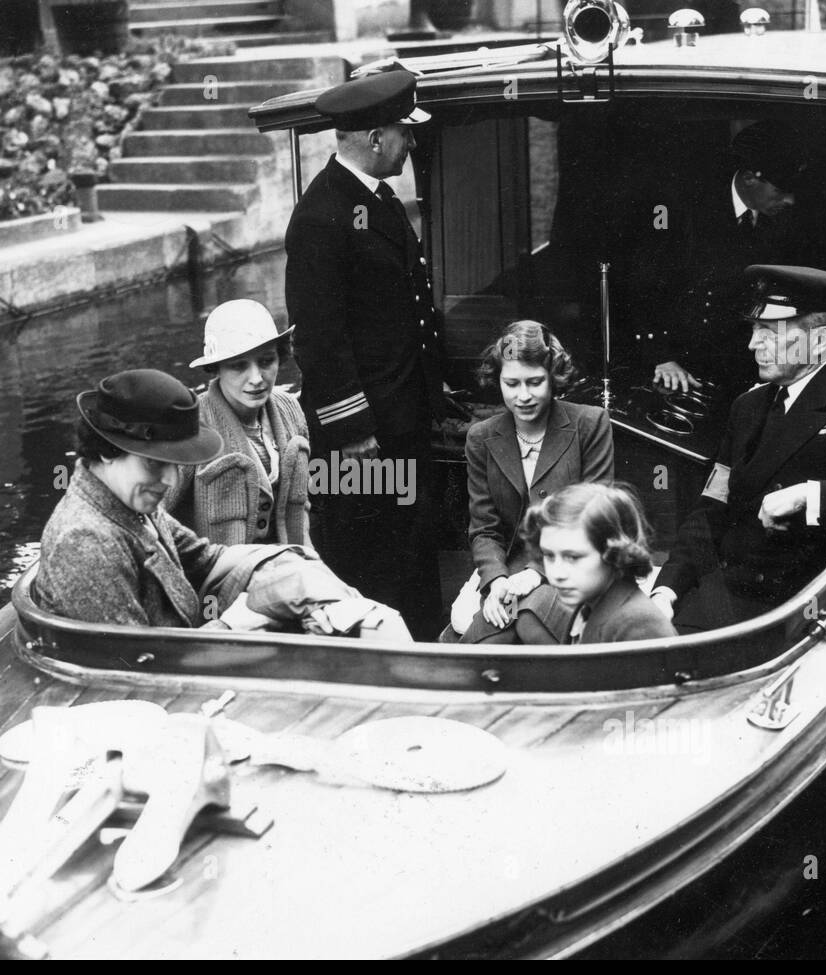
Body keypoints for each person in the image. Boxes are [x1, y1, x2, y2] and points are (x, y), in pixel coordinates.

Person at [651, 265, 826, 632]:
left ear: (819, 342)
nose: (752, 344)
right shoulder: (747, 406)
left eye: (769, 333)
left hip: (802, 605)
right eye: (755, 329)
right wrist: (667, 589)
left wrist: (809, 496)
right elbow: (713, 509)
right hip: (727, 591)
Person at [34, 368, 409, 639]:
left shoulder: (128, 501)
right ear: (108, 452)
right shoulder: (86, 541)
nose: (168, 482)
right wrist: (233, 625)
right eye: (154, 463)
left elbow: (205, 558)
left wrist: (293, 566)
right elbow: (137, 666)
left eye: (173, 466)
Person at [284, 69, 445, 638]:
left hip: (402, 415)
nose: (411, 143)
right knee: (374, 556)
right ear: (375, 139)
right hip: (363, 436)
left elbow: (406, 310)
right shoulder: (321, 217)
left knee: (412, 543)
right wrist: (353, 432)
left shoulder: (377, 200)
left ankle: (426, 650)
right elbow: (319, 341)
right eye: (405, 133)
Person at [449, 321, 614, 635]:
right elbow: (485, 528)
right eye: (512, 384)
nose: (523, 396)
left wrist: (537, 572)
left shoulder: (590, 424)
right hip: (509, 568)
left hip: (575, 562)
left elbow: (595, 517)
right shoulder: (481, 438)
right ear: (497, 381)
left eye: (535, 382)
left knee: (529, 623)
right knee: (490, 631)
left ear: (553, 379)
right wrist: (495, 580)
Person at [640, 120, 823, 396]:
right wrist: (661, 357)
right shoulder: (682, 211)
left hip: (752, 361)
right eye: (781, 191)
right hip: (681, 365)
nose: (790, 201)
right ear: (749, 178)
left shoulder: (789, 222)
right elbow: (644, 286)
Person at [165, 299, 312, 548]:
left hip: (294, 562)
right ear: (216, 368)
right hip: (221, 576)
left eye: (266, 361)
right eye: (238, 366)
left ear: (280, 357)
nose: (256, 379)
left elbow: (303, 504)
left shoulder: (290, 408)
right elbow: (152, 514)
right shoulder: (191, 427)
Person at [457, 483, 676, 645]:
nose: (556, 574)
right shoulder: (592, 604)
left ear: (616, 554)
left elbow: (637, 709)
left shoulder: (639, 627)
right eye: (549, 556)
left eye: (573, 557)